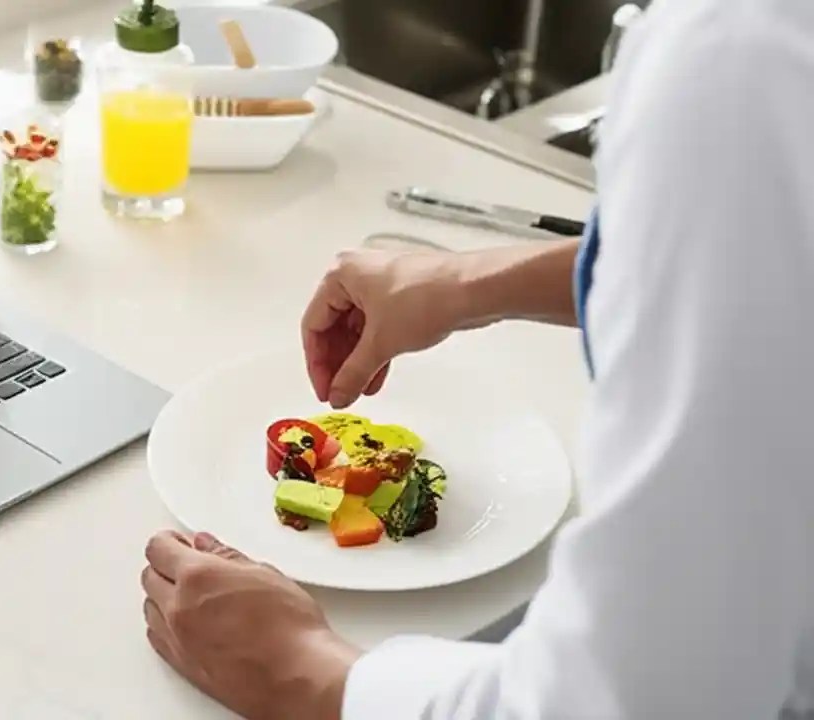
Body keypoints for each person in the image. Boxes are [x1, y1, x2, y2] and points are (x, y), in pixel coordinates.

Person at [140, 2, 814, 717]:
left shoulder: (736, 59)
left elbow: (642, 697)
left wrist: (304, 672)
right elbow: (759, 263)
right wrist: (474, 281)